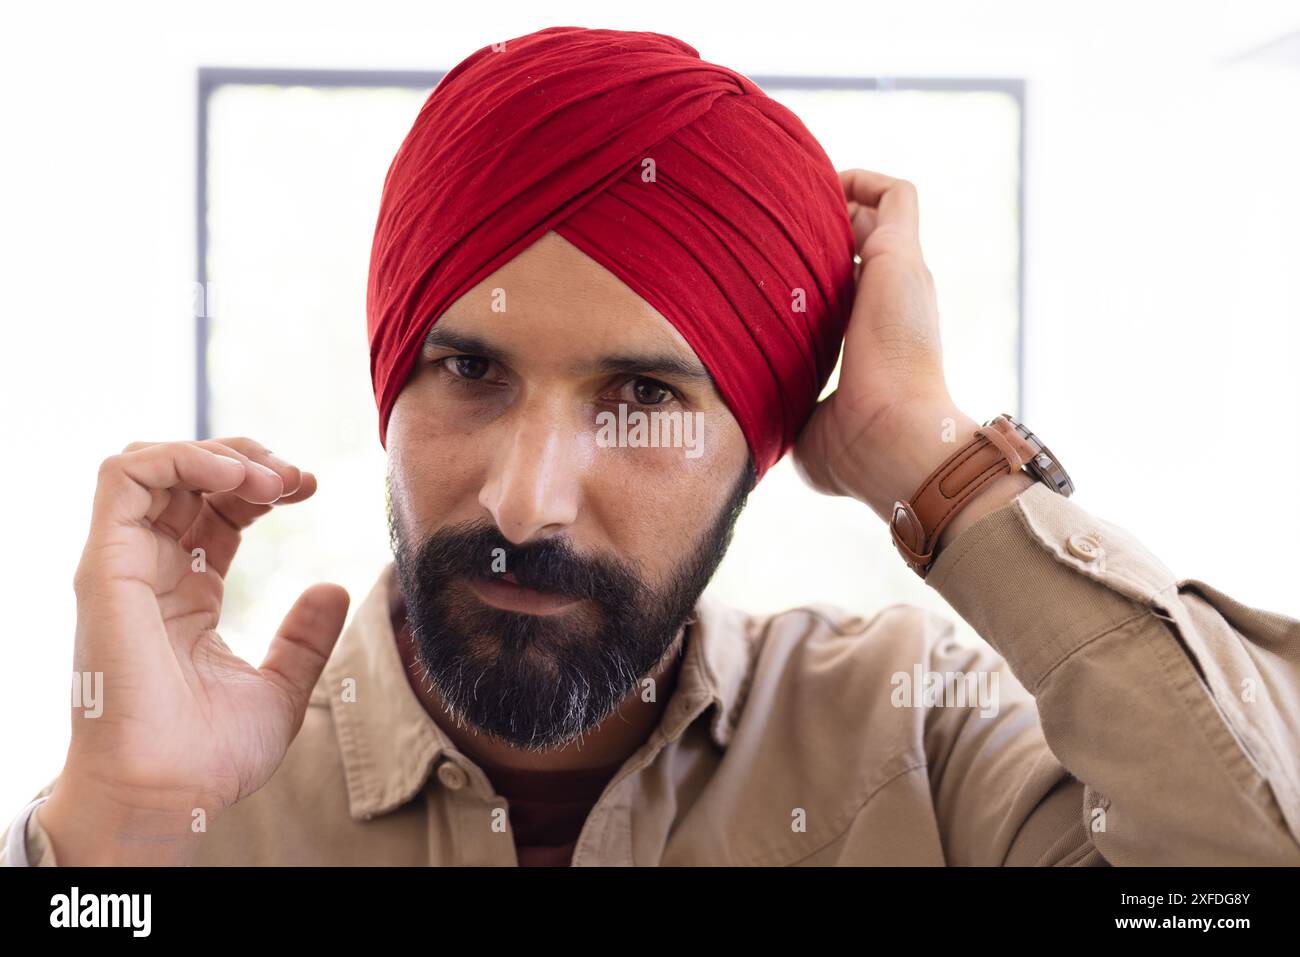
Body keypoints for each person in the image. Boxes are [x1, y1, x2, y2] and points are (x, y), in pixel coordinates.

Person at [4, 26, 1298, 867]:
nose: (526, 502)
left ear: (762, 442)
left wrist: (940, 465)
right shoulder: (202, 791)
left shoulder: (925, 740)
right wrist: (113, 835)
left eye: (639, 394)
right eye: (471, 370)